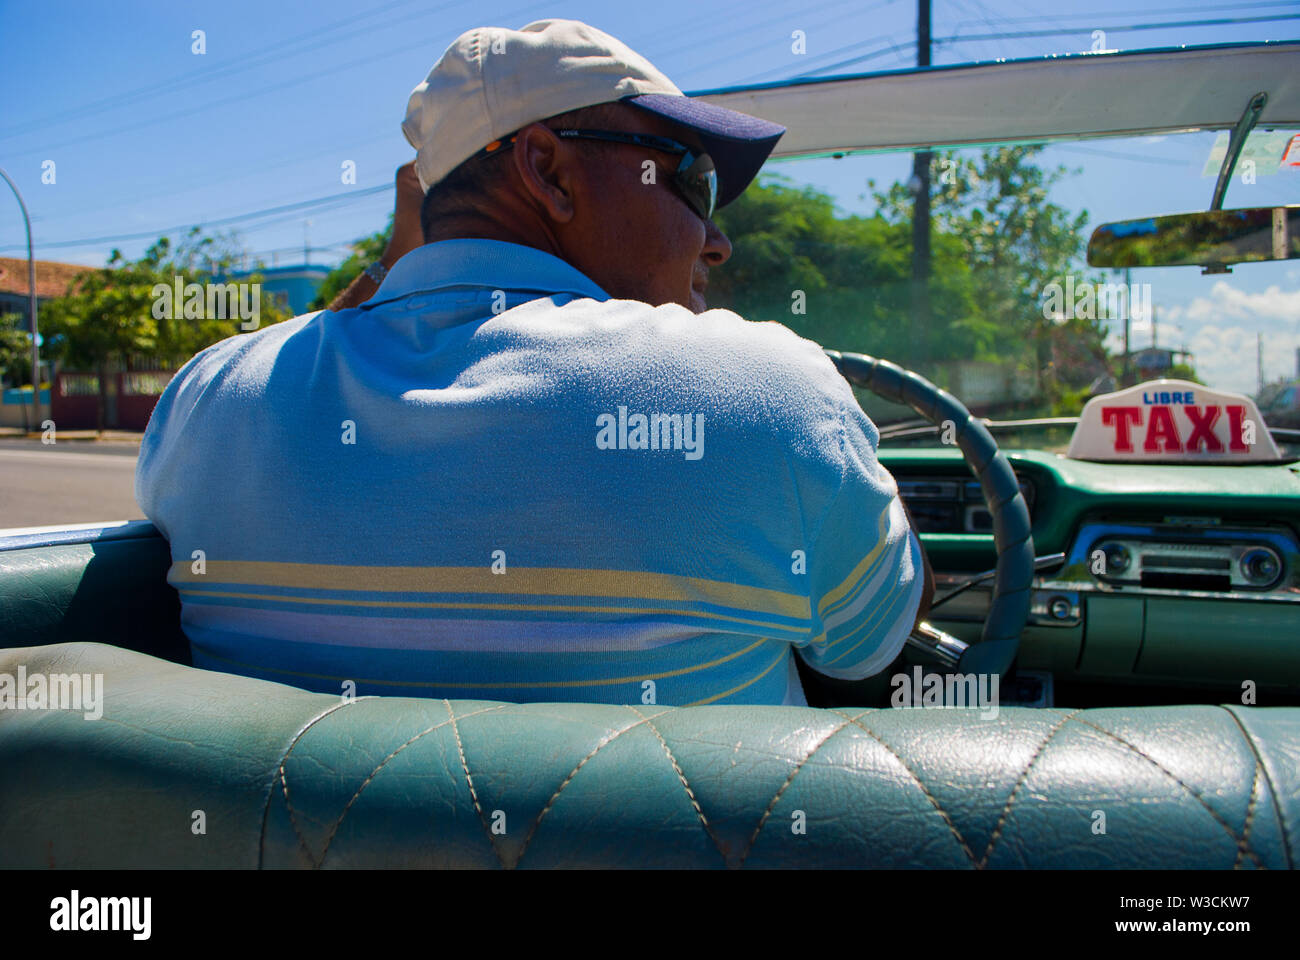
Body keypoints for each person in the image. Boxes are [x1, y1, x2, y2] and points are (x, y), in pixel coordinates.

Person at [136, 18, 932, 706]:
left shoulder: (207, 401)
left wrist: (397, 261)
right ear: (548, 170)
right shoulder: (765, 395)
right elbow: (869, 647)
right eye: (691, 179)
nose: (715, 238)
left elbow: (309, 354)